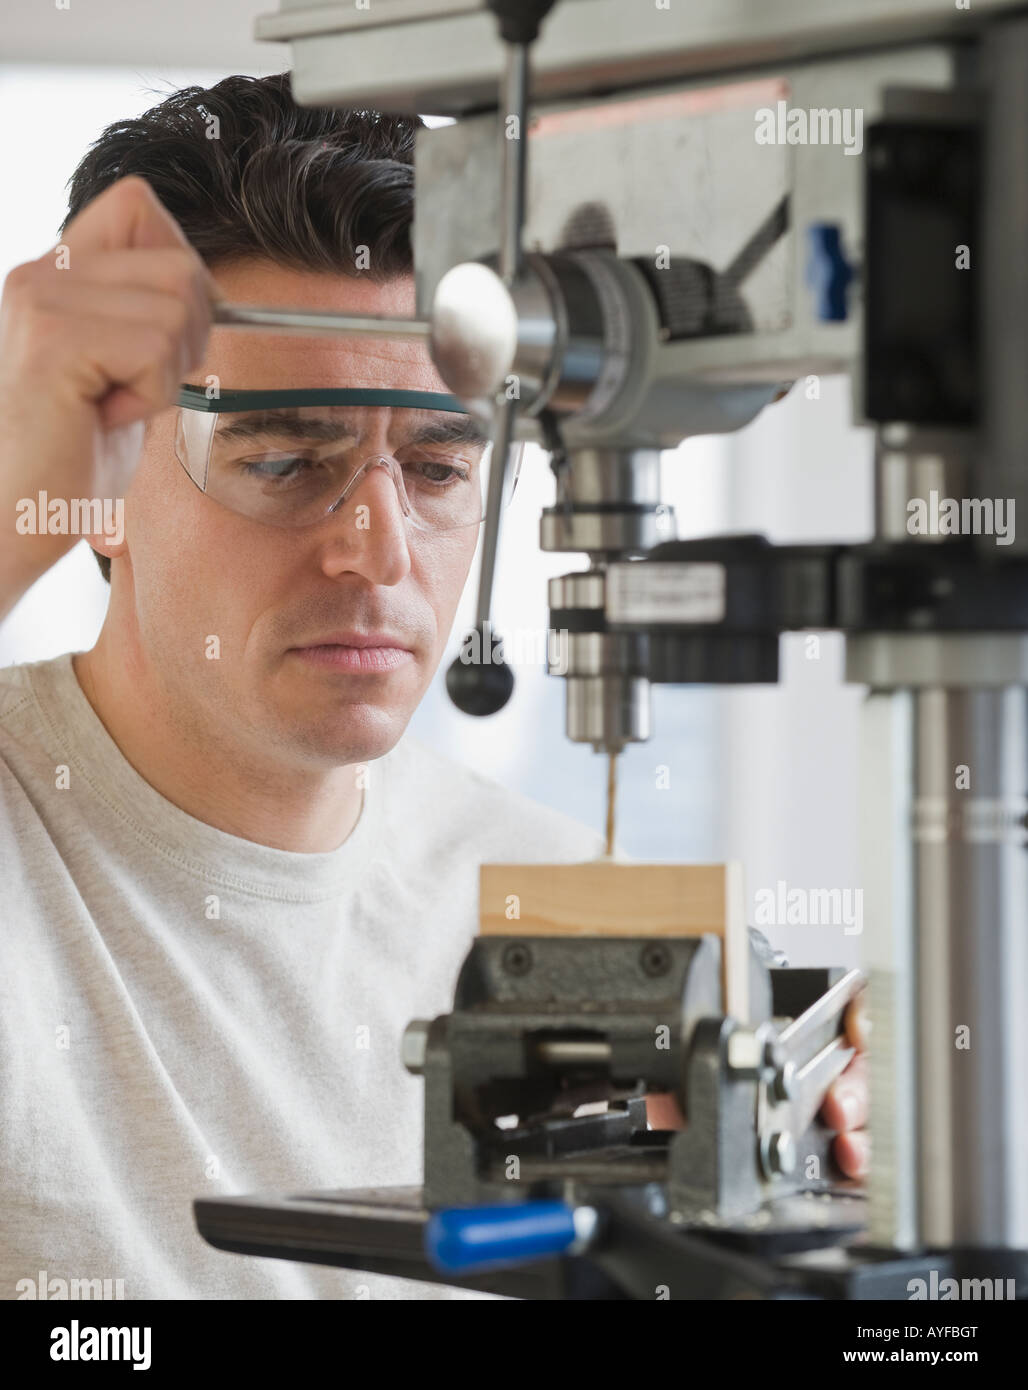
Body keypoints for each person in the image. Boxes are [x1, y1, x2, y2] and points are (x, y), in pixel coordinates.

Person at [0, 73, 867, 1300]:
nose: (377, 549)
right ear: (98, 479)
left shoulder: (566, 916)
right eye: (286, 457)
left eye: (439, 464)